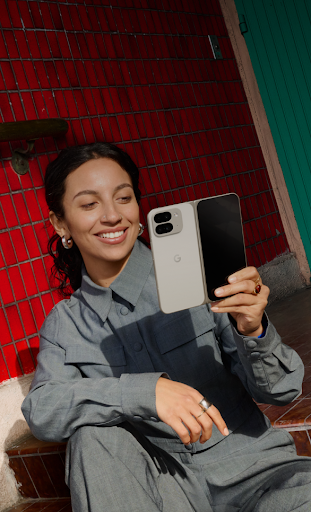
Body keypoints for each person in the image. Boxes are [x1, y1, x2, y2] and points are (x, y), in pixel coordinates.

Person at [22, 142, 311, 512]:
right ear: (60, 223)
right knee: (90, 438)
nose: (112, 216)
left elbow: (282, 391)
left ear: (138, 209)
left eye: (123, 198)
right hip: (159, 491)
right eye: (89, 204)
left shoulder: (202, 277)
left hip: (255, 471)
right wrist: (145, 393)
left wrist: (252, 330)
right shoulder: (66, 325)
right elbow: (42, 409)